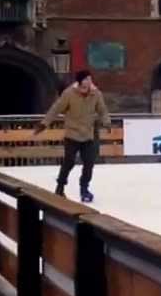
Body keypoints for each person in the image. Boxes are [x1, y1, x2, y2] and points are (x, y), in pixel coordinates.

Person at [34, 70, 110, 203]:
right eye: (86, 79)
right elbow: (56, 109)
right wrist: (44, 123)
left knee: (89, 162)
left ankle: (84, 189)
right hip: (72, 134)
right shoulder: (69, 93)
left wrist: (107, 122)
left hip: (88, 134)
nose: (89, 82)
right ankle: (60, 187)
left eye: (90, 79)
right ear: (80, 81)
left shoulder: (96, 94)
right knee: (68, 162)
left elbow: (102, 109)